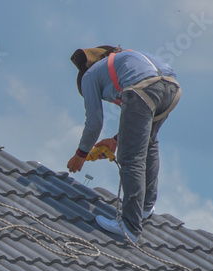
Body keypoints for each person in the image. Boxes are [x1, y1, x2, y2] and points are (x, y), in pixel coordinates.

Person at [66, 45, 181, 244]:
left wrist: (80, 155)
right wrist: (116, 140)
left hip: (143, 90)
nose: (111, 101)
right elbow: (141, 123)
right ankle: (145, 208)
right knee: (149, 143)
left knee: (130, 158)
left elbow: (94, 123)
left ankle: (130, 226)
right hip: (172, 89)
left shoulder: (90, 76)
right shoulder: (129, 58)